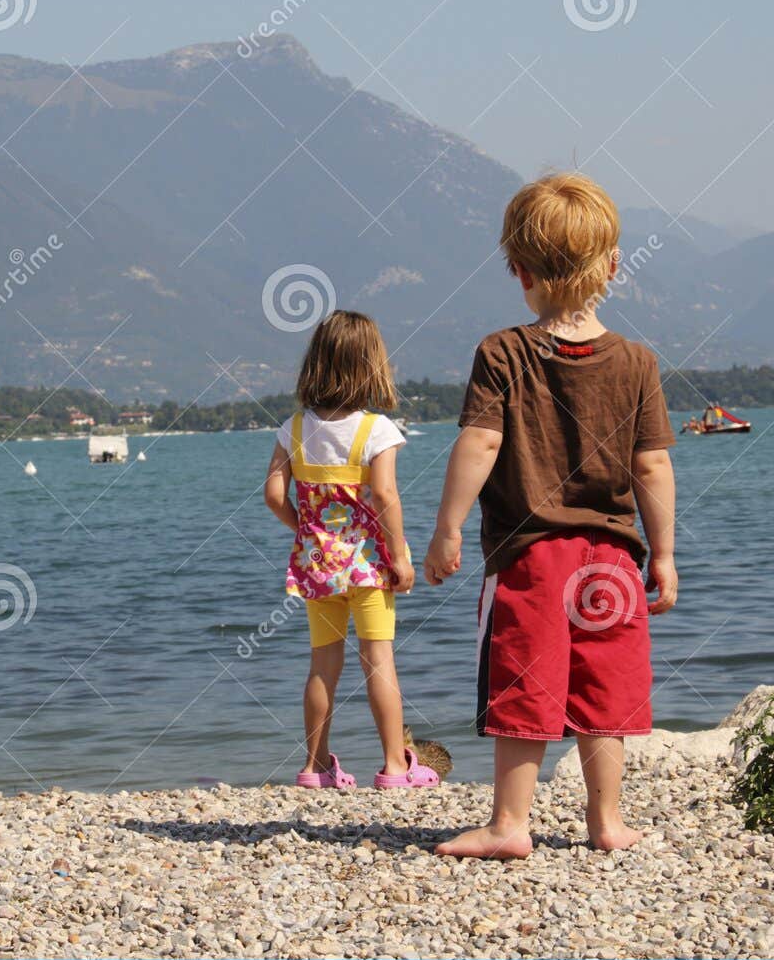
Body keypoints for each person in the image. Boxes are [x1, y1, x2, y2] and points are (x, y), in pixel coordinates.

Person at [422, 173, 678, 858]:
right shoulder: (638, 362)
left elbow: (480, 442)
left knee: (524, 682)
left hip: (531, 556)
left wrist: (447, 527)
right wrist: (667, 554)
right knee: (606, 689)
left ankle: (510, 824)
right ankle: (608, 822)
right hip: (616, 561)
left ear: (519, 270)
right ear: (615, 266)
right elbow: (652, 466)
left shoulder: (502, 352)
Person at [263, 310, 439, 791]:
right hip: (367, 568)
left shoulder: (294, 429)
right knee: (378, 659)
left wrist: (306, 531)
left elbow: (274, 495)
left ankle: (316, 766)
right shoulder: (375, 431)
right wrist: (399, 554)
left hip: (318, 568)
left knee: (323, 664)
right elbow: (383, 496)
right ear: (371, 366)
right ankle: (395, 767)